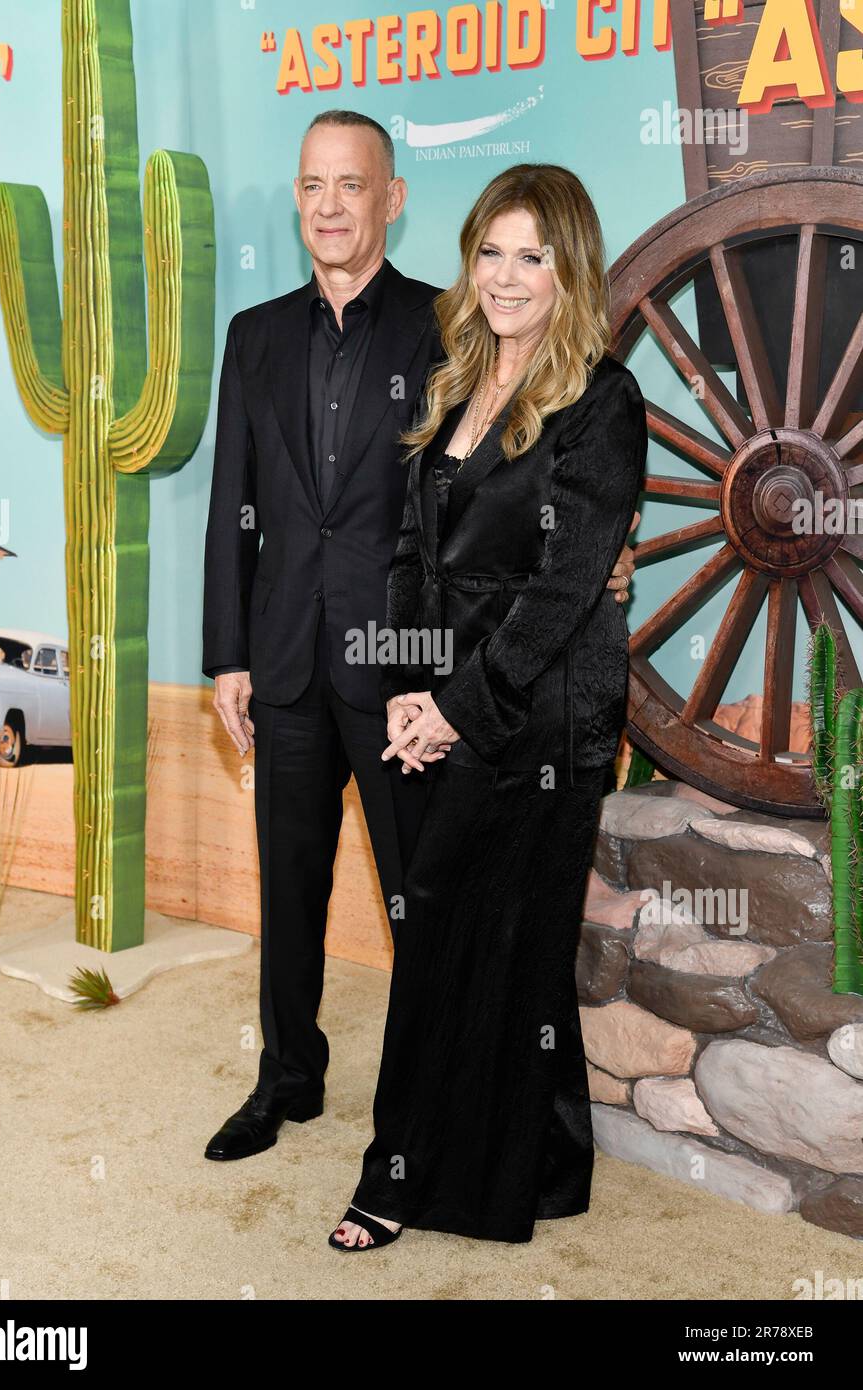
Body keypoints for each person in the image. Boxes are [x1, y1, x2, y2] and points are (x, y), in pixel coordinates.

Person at [202, 113, 638, 1163]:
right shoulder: (253, 336)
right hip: (288, 664)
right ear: (298, 198)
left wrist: (600, 560)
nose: (330, 205)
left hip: (406, 675)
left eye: (352, 185)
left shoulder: (451, 326)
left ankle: (437, 1107)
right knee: (288, 881)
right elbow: (235, 503)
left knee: (427, 903)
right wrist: (228, 651)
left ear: (391, 198)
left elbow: (512, 470)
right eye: (313, 185)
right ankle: (285, 1079)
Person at [329, 163, 648, 1251]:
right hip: (451, 696)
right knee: (487, 943)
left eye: (533, 256)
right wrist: (411, 689)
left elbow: (565, 592)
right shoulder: (455, 379)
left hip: (545, 711)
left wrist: (460, 707)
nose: (506, 278)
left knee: (480, 943)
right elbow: (416, 550)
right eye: (490, 253)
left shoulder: (604, 400)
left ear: (570, 272)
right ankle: (547, 1162)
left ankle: (397, 1176)